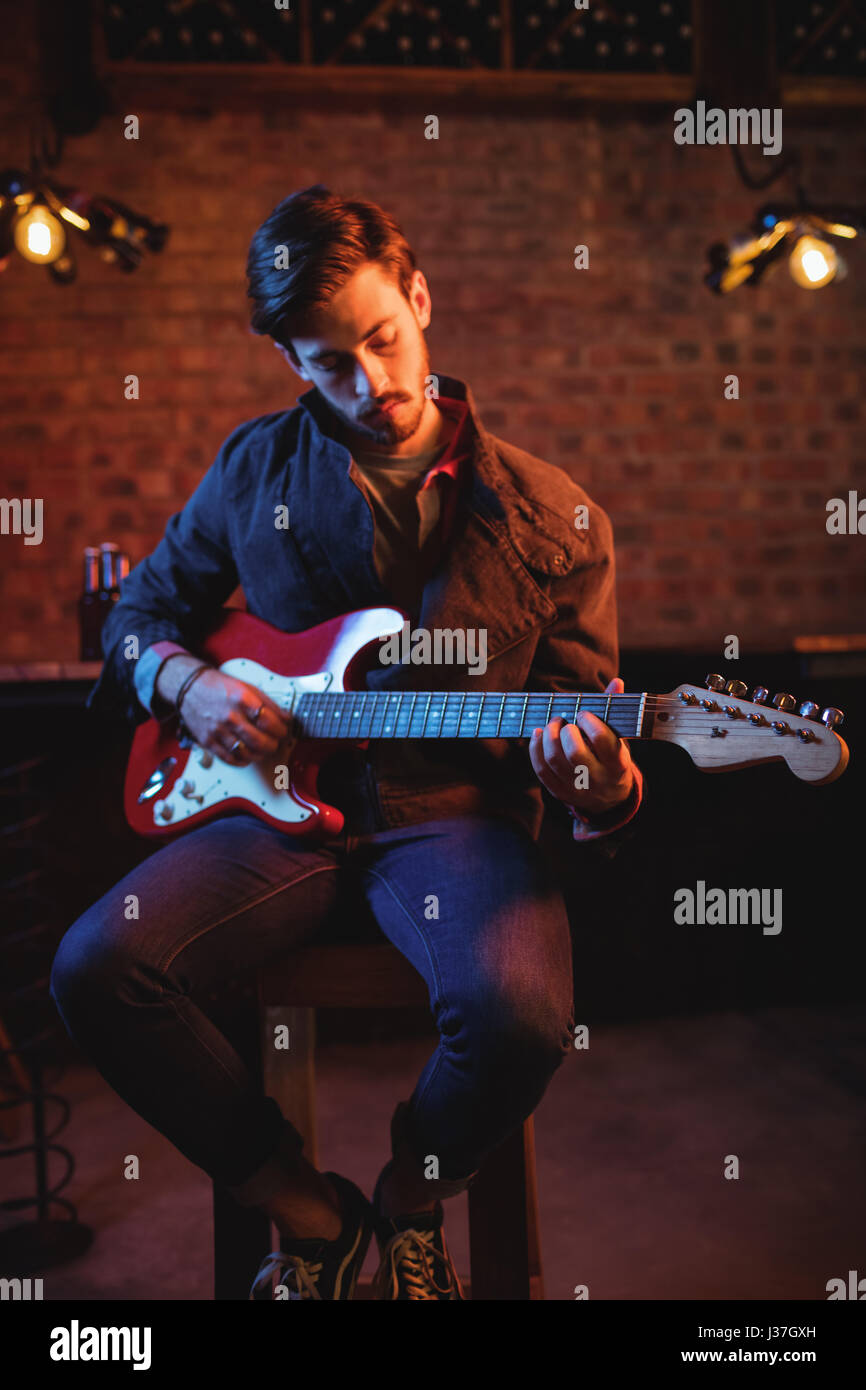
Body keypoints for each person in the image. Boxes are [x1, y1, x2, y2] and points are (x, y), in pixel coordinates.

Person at [50, 185, 644, 1301]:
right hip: (271, 819)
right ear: (291, 362)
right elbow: (138, 618)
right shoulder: (250, 472)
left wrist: (595, 783)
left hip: (452, 826)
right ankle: (309, 1212)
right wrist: (186, 684)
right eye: (330, 363)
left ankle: (411, 1198)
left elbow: (580, 754)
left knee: (519, 1018)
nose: (369, 385)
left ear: (419, 298)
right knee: (94, 965)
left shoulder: (557, 518)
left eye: (384, 339)